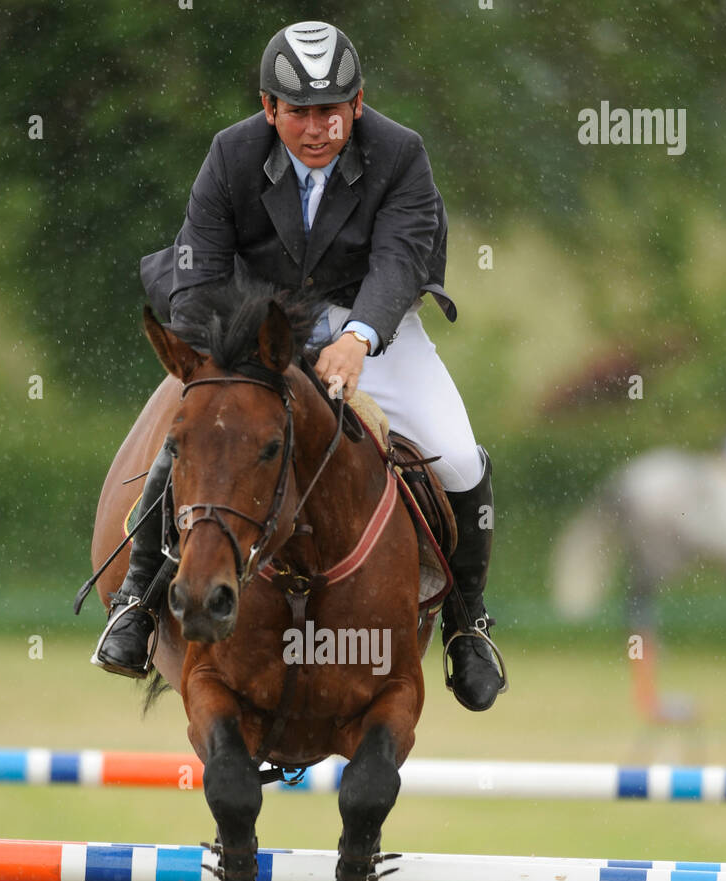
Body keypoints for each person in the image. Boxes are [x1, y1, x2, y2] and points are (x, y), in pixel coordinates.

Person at [92, 20, 505, 712]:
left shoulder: (400, 154)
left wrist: (362, 337)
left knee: (459, 459)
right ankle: (137, 599)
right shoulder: (231, 154)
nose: (316, 127)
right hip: (258, 336)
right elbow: (196, 265)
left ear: (357, 104)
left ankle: (467, 624)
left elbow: (401, 258)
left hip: (373, 331)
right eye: (300, 112)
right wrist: (220, 355)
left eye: (331, 110)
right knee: (199, 436)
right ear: (269, 108)